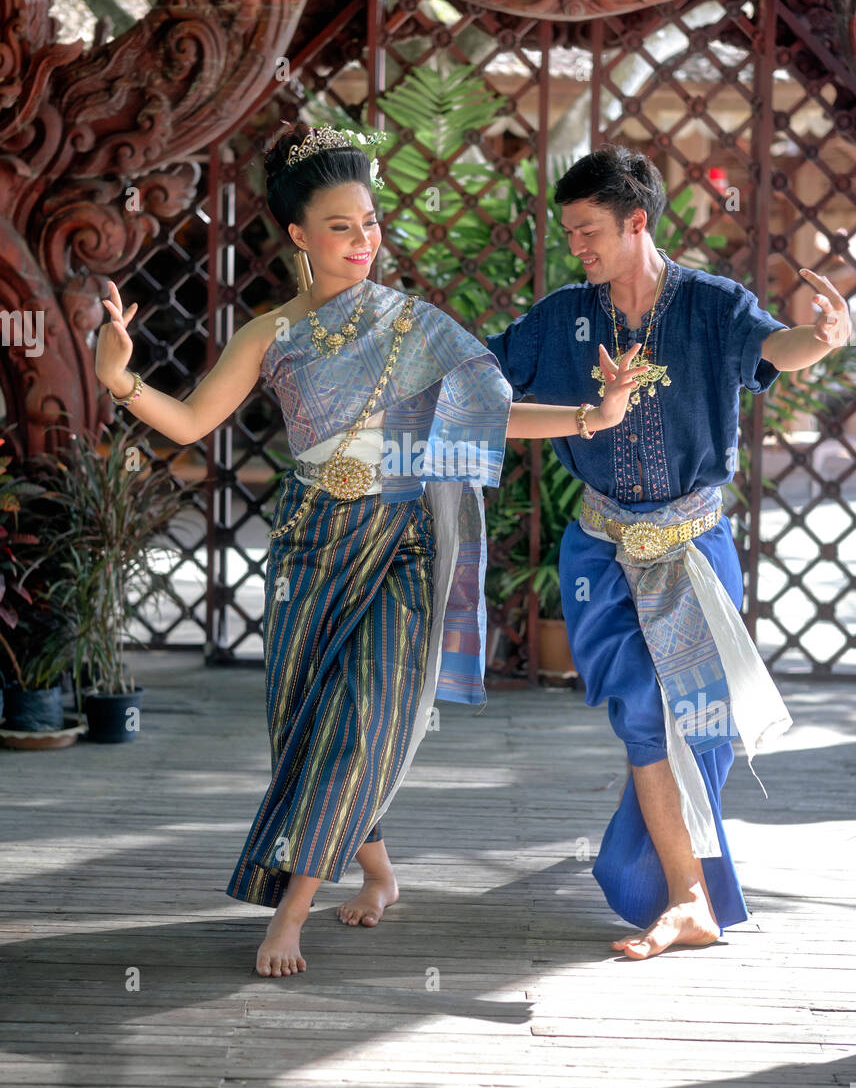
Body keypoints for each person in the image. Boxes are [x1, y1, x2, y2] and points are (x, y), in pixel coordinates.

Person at [94, 123, 644, 977]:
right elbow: (193, 420)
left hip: (403, 545)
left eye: (372, 222)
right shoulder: (269, 337)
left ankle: (290, 911)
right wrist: (120, 379)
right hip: (310, 549)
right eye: (342, 226)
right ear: (299, 236)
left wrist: (592, 416)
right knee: (310, 730)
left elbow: (486, 415)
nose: (364, 241)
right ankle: (378, 871)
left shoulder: (414, 326)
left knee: (364, 720)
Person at [486, 144, 852, 960]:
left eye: (588, 232)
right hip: (602, 550)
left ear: (636, 220)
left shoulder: (714, 307)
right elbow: (481, 388)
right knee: (647, 714)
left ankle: (645, 851)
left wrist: (824, 340)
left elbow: (778, 349)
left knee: (705, 723)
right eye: (569, 233)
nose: (576, 248)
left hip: (696, 543)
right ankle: (688, 899)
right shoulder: (559, 320)